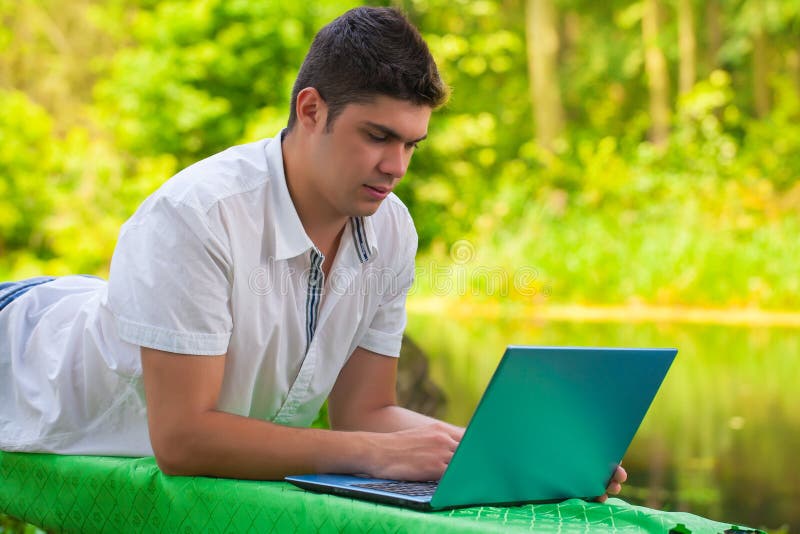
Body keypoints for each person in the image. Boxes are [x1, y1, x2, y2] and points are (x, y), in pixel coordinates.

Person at [0, 6, 625, 498]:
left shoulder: (391, 230)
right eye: (378, 136)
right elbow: (183, 440)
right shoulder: (196, 215)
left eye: (412, 145)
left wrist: (512, 454)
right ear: (310, 109)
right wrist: (376, 456)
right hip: (19, 355)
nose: (397, 166)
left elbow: (366, 411)